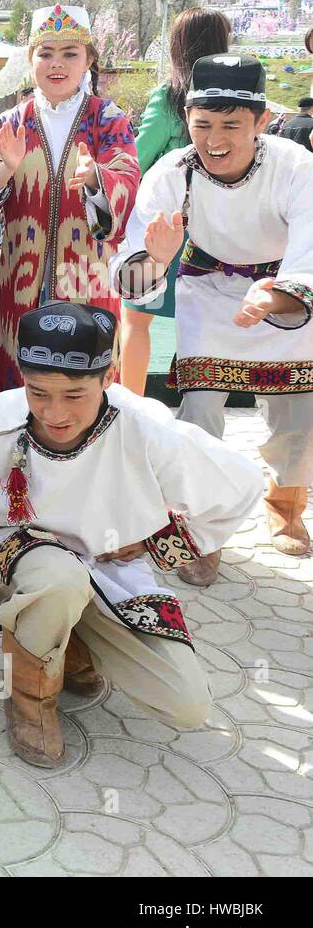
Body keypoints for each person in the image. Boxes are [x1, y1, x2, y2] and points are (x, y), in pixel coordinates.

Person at [0, 302, 263, 767]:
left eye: (74, 395)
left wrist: (153, 543)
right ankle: (30, 697)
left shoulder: (145, 426)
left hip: (112, 570)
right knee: (60, 581)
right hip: (33, 558)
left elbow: (241, 484)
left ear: (108, 375)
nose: (55, 413)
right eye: (39, 393)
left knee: (187, 702)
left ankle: (74, 640)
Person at [112, 54, 313, 576]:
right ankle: (199, 527)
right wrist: (157, 258)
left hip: (282, 289)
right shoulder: (173, 172)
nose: (215, 139)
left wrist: (279, 295)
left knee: (297, 415)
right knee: (199, 413)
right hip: (209, 290)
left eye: (231, 124)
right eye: (203, 125)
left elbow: (311, 244)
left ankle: (285, 509)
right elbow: (132, 259)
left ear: (262, 121)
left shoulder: (295, 166)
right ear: (188, 120)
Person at [0, 5, 140, 394]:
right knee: (19, 393)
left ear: (89, 60)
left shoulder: (107, 119)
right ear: (31, 61)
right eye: (45, 54)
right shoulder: (9, 123)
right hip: (20, 284)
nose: (56, 64)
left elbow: (126, 182)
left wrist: (96, 179)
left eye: (70, 54)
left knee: (88, 392)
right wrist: (5, 169)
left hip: (86, 280)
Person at [120, 8, 231, 396]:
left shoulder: (169, 98)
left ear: (177, 46)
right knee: (203, 324)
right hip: (220, 226)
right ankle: (198, 414)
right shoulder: (233, 99)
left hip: (165, 227)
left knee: (136, 319)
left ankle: (130, 409)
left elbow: (136, 158)